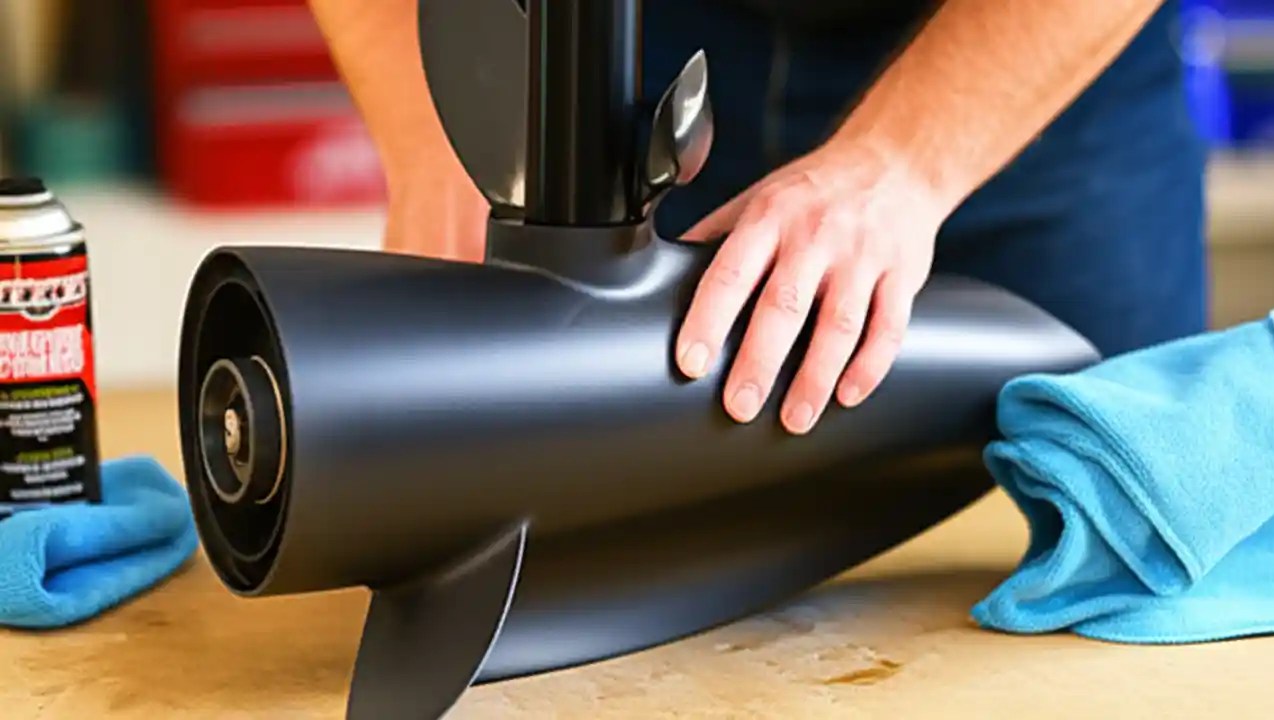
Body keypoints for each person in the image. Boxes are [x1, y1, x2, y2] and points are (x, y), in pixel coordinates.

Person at [307, 0, 1208, 435]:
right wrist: (427, 129)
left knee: (1113, 521)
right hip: (628, 35)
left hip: (1026, 55)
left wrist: (910, 158)